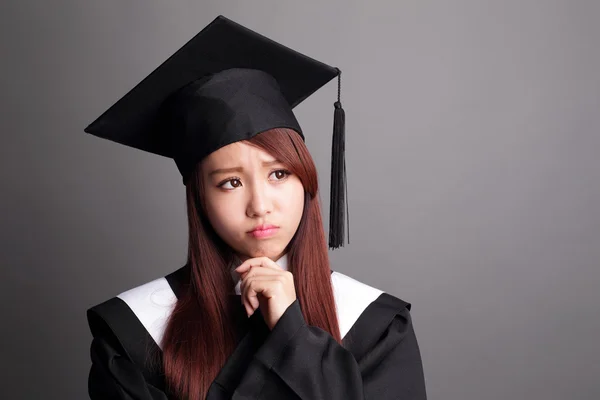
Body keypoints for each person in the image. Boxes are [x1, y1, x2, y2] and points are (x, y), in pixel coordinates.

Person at [84, 15, 427, 400]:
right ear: (199, 198)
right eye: (230, 182)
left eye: (279, 174)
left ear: (306, 179)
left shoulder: (375, 326)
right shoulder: (134, 334)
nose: (260, 205)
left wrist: (292, 333)